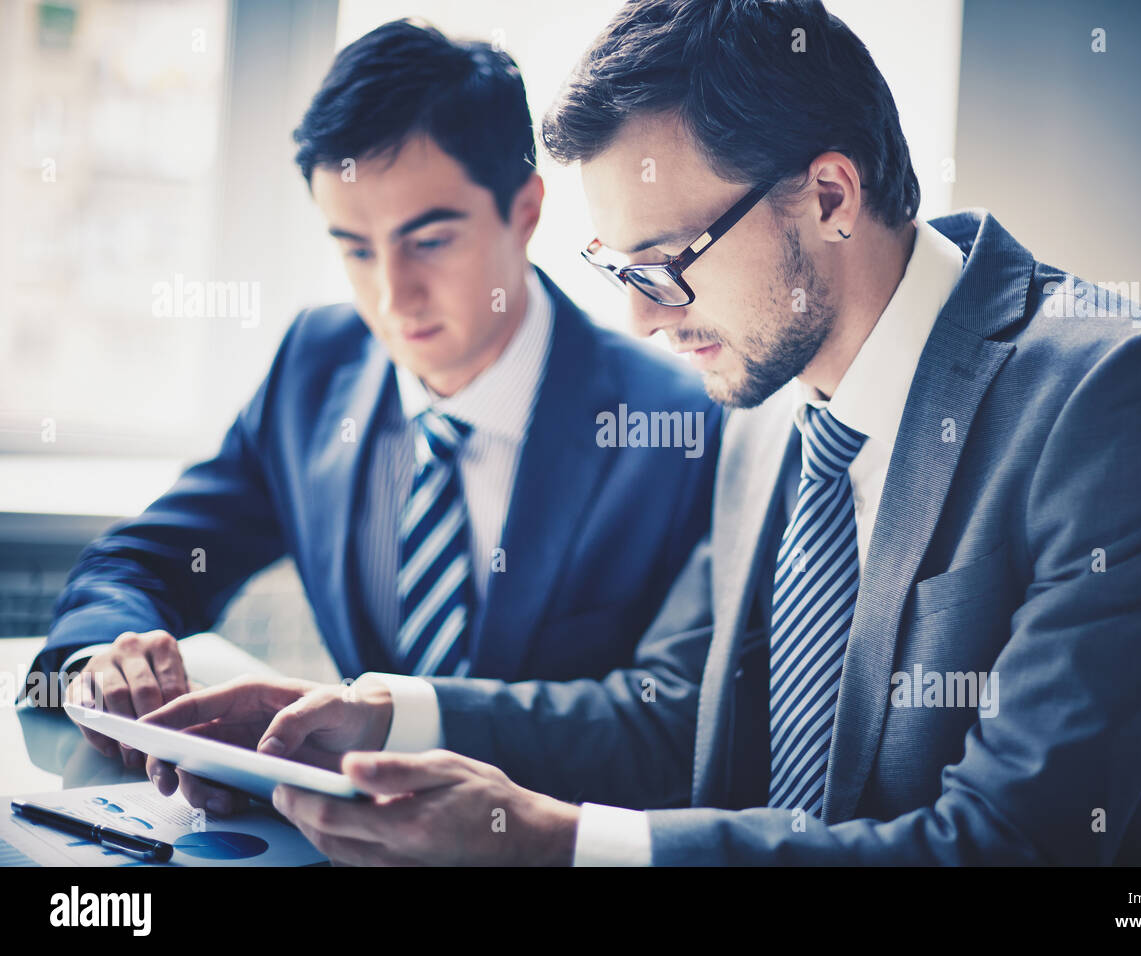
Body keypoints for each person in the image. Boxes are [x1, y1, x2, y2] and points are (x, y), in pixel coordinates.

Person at [144, 0, 1141, 865]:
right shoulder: (769, 397)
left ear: (826, 194)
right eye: (619, 270)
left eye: (665, 263)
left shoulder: (1122, 396)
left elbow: (1011, 845)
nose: (640, 317)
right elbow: (676, 716)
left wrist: (554, 842)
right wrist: (372, 712)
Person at [31, 19, 720, 794]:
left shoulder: (683, 425)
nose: (392, 297)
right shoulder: (315, 368)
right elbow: (145, 558)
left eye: (428, 241)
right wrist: (105, 659)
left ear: (525, 210)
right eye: (356, 249)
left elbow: (671, 723)